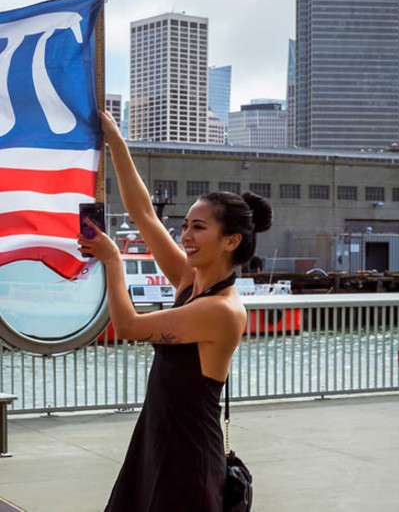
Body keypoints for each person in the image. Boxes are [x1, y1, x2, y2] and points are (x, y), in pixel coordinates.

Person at [77, 112, 272, 512]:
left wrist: (114, 261)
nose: (185, 236)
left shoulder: (220, 309)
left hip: (188, 455)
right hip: (159, 436)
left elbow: (128, 326)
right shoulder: (190, 278)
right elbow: (144, 214)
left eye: (198, 228)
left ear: (230, 240)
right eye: (185, 226)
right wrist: (116, 140)